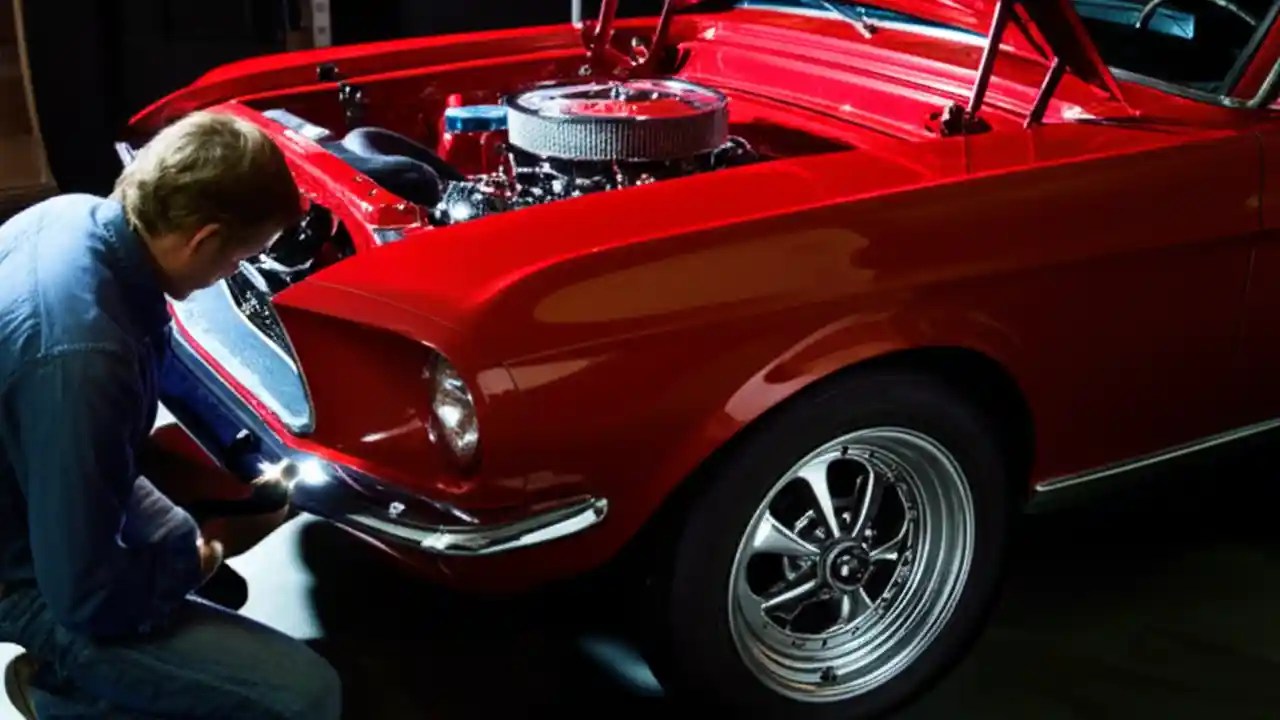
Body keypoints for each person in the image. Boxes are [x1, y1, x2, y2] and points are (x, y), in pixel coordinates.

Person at [0, 111, 342, 719]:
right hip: (19, 562)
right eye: (242, 257)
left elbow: (162, 351)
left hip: (32, 471)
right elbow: (85, 596)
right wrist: (205, 555)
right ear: (203, 239)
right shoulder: (82, 360)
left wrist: (250, 452)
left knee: (172, 538)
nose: (233, 271)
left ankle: (102, 676)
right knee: (305, 696)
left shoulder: (79, 218)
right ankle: (65, 696)